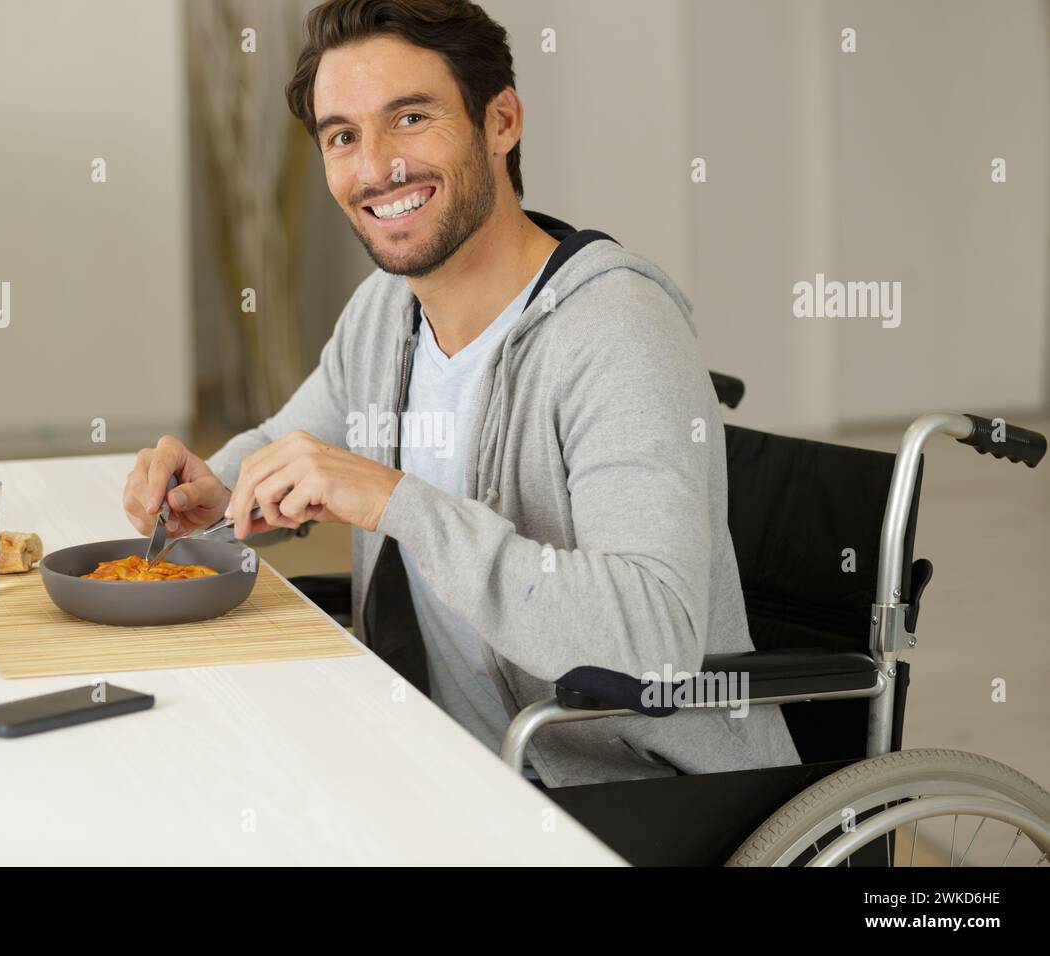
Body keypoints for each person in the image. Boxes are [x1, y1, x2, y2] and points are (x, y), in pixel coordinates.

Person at [123, 0, 799, 788]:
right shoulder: (386, 312)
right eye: (343, 136)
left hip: (615, 797)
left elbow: (653, 639)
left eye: (410, 117)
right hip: (438, 760)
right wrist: (216, 485)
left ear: (502, 120)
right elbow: (285, 444)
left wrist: (396, 500)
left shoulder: (618, 332)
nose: (376, 167)